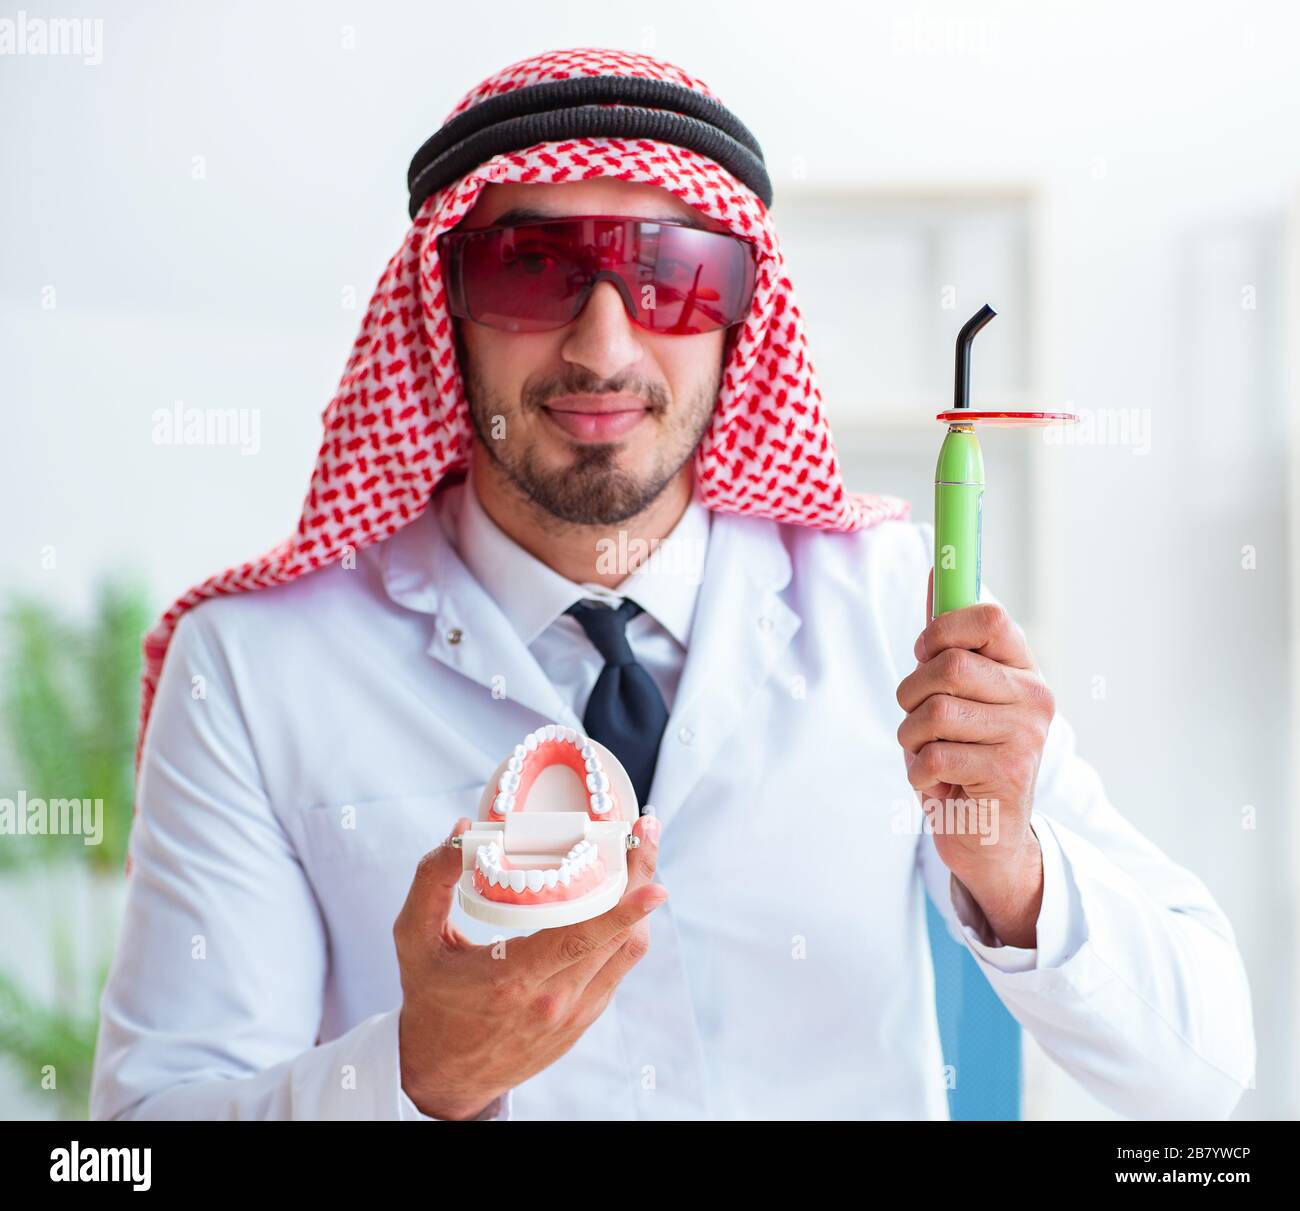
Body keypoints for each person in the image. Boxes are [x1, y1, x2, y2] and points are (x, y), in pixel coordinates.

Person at [90, 47, 1254, 1121]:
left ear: (742, 312)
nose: (603, 348)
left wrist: (1012, 865)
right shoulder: (252, 669)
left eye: (674, 275)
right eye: (533, 267)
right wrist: (411, 1076)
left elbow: (1201, 1067)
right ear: (442, 306)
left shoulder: (899, 612)